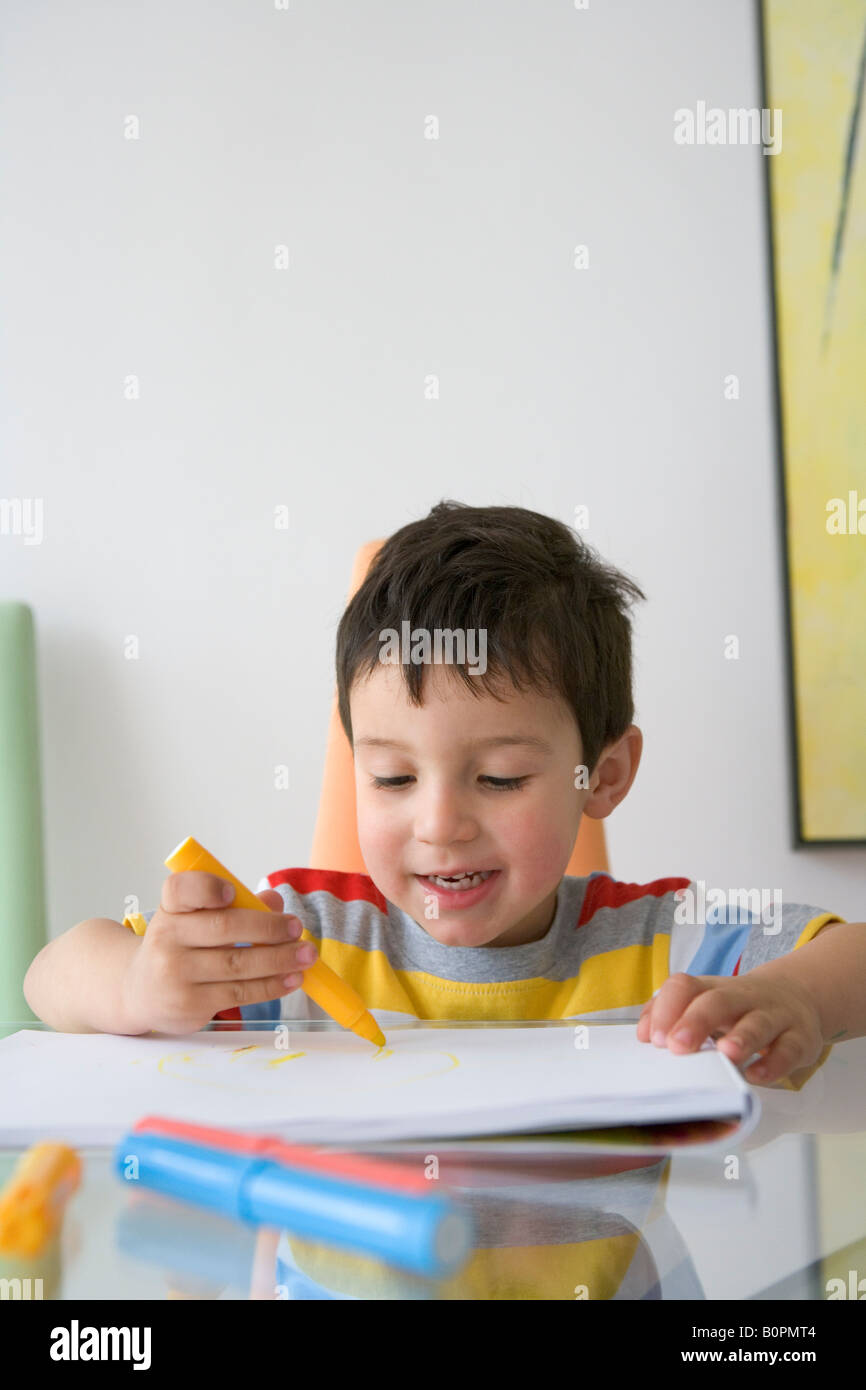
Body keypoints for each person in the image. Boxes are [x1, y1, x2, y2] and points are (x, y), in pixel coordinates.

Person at [24, 500, 863, 1090]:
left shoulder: (654, 948)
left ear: (602, 775)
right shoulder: (300, 945)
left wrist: (796, 999)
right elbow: (49, 976)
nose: (438, 824)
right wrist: (141, 982)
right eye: (391, 778)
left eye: (498, 778)